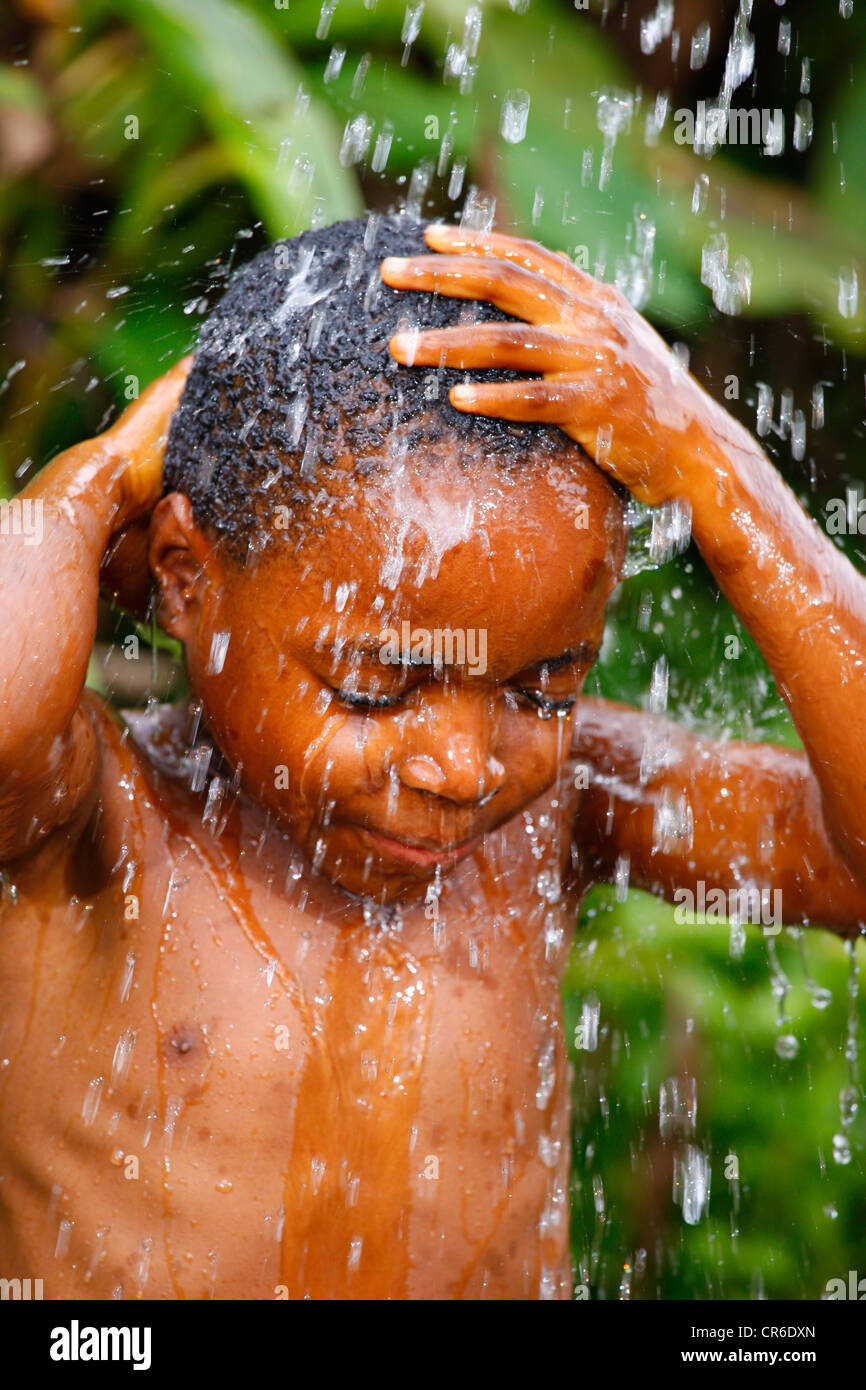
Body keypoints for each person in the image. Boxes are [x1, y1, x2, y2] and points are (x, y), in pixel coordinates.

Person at [1, 213, 864, 1301]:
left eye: (540, 687)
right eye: (373, 686)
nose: (460, 768)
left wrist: (716, 473)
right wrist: (99, 479)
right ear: (184, 574)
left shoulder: (569, 805)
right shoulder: (90, 824)